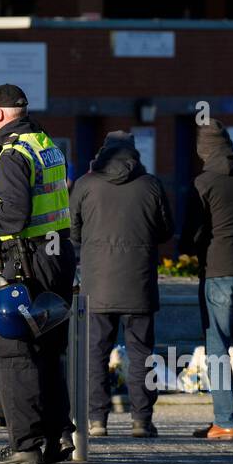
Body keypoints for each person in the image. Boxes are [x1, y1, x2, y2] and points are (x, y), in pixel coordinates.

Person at [0, 84, 76, 464]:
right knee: (48, 350)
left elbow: (12, 216)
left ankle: (26, 446)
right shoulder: (45, 143)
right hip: (55, 256)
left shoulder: (13, 154)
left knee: (14, 353)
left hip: (25, 261)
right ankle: (56, 436)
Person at [70, 131, 171, 438]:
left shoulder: (86, 185)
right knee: (141, 353)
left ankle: (97, 420)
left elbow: (72, 231)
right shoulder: (150, 184)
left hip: (97, 284)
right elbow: (166, 230)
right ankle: (141, 421)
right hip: (138, 282)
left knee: (95, 353)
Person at [179, 121, 233, 439]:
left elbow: (193, 232)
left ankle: (225, 422)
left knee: (218, 347)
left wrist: (190, 251)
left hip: (220, 271)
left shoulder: (204, 183)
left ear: (204, 149)